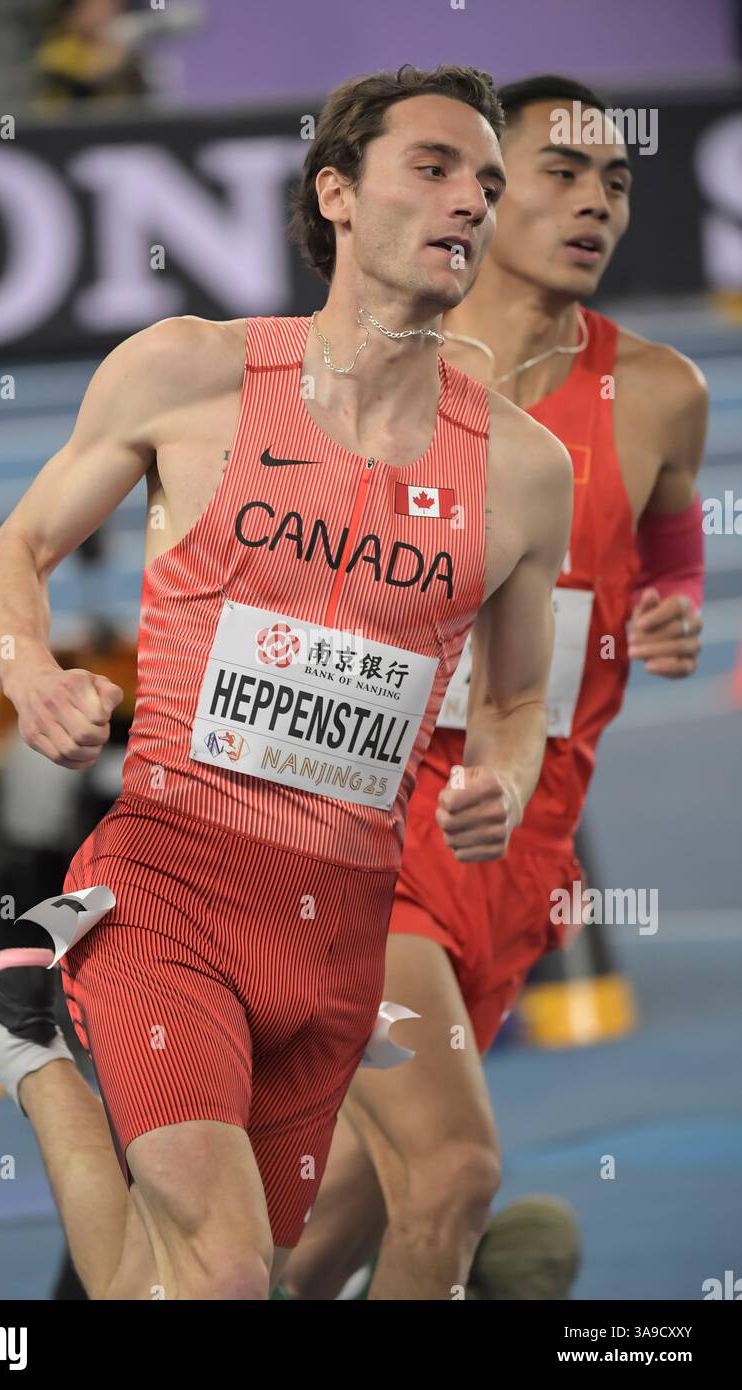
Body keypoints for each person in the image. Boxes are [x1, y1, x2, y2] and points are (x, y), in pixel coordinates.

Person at [0, 64, 572, 1300]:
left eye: (485, 181)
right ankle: (37, 1030)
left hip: (340, 927)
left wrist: (502, 773)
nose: (469, 203)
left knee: (191, 1282)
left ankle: (23, 1046)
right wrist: (31, 675)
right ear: (334, 191)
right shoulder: (189, 372)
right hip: (170, 881)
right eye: (430, 168)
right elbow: (17, 552)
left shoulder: (524, 473)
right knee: (221, 1275)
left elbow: (513, 701)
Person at [279, 74, 707, 1302]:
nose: (595, 205)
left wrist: (667, 606)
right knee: (457, 1167)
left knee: (339, 1219)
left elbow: (665, 532)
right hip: (362, 817)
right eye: (559, 174)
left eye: (615, 182)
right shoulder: (373, 371)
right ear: (477, 187)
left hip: (518, 837)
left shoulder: (663, 392)